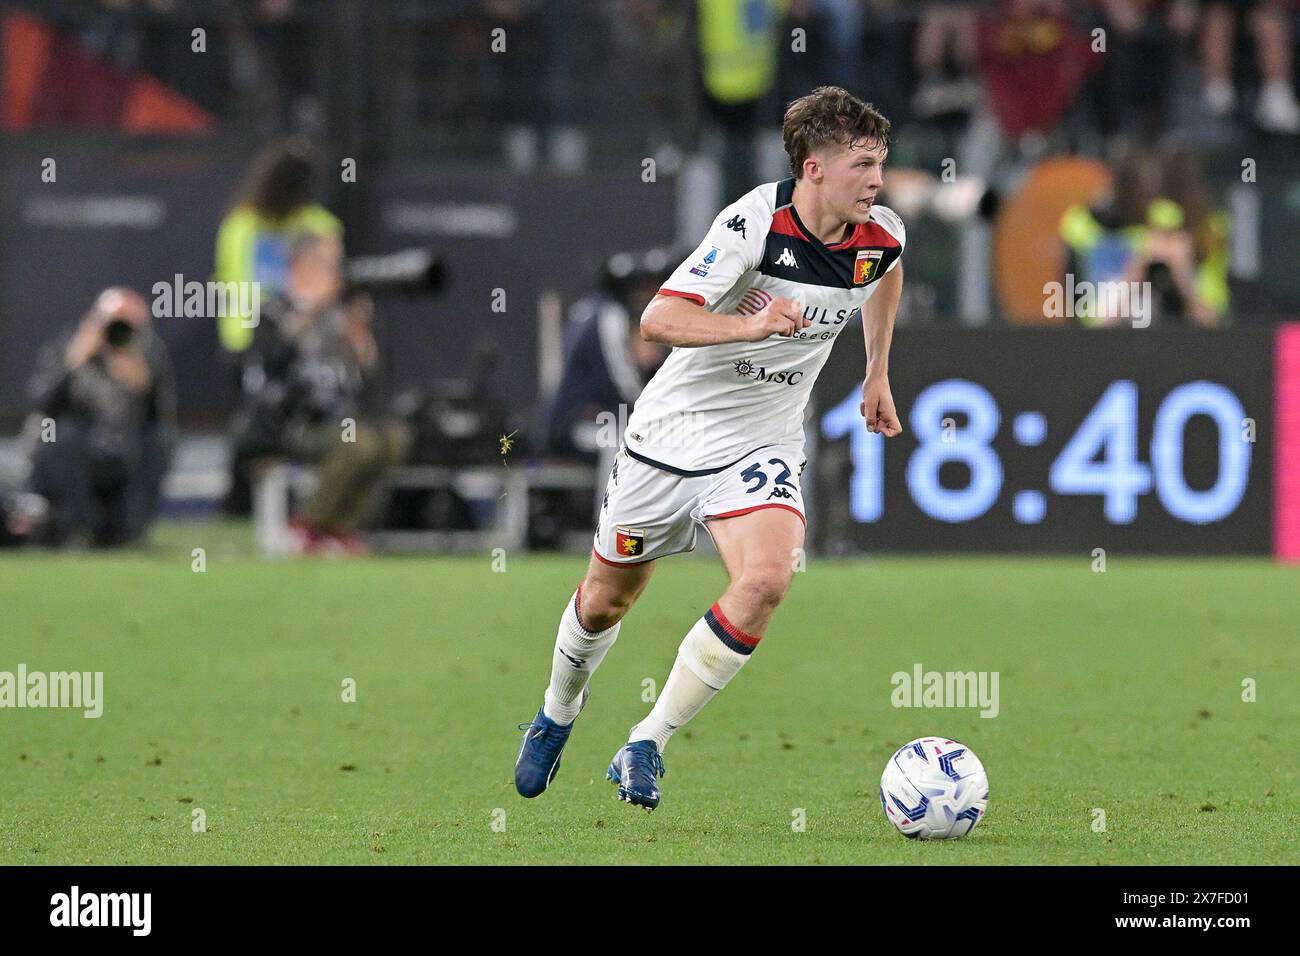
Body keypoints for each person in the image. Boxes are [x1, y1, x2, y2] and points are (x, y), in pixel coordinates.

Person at [515, 86, 906, 811]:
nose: (877, 181)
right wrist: (749, 327)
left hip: (760, 443)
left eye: (880, 164)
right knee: (604, 602)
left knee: (765, 582)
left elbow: (885, 274)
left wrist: (876, 369)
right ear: (814, 169)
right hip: (671, 437)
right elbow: (659, 318)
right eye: (862, 165)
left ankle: (647, 741)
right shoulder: (752, 225)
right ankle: (557, 711)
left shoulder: (880, 234)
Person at [238, 232, 409, 555]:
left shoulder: (340, 314)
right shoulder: (273, 309)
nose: (339, 269)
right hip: (293, 424)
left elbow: (368, 380)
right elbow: (272, 360)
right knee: (359, 442)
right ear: (304, 263)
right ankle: (307, 526)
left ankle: (342, 529)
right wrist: (315, 307)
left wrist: (359, 335)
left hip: (341, 419)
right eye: (331, 262)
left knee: (394, 438)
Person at [26, 287, 177, 547]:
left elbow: (161, 418)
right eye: (114, 323)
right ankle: (78, 528)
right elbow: (41, 404)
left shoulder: (148, 352)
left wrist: (144, 386)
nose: (118, 332)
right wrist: (72, 363)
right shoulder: (69, 344)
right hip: (75, 447)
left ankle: (128, 531)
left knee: (157, 443)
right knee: (58, 436)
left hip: (122, 448)